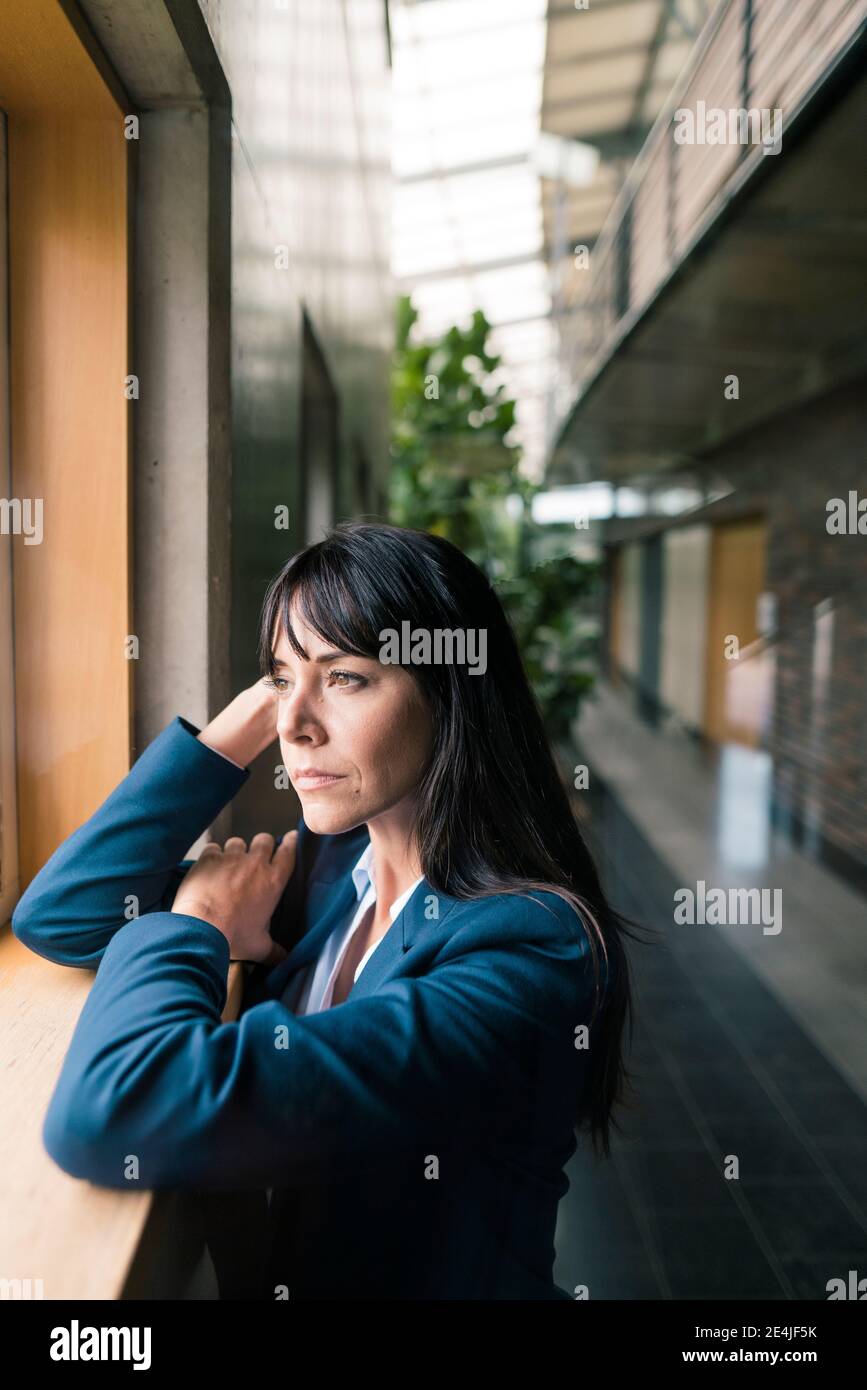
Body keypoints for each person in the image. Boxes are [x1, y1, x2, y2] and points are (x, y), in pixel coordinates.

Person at [13, 521, 636, 1300]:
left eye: (346, 678)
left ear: (452, 691)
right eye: (280, 679)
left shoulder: (526, 950)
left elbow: (118, 1109)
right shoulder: (338, 870)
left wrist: (201, 927)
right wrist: (223, 742)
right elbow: (63, 914)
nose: (292, 726)